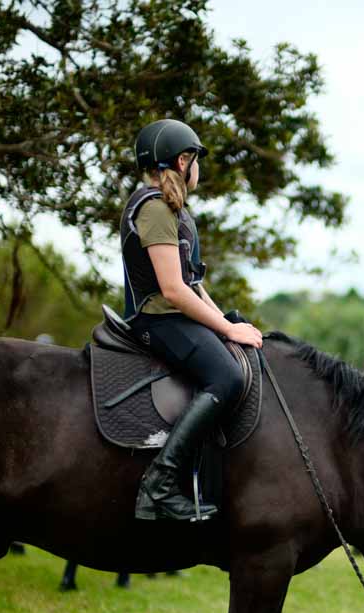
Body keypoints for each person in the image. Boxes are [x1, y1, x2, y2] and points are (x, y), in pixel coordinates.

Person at [121, 118, 263, 521]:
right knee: (228, 378)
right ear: (184, 161)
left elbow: (195, 285)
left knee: (237, 351)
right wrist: (224, 328)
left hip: (176, 318)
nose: (199, 167)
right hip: (157, 321)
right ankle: (160, 483)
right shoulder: (153, 209)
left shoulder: (174, 210)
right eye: (197, 159)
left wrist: (227, 323)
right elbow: (173, 290)